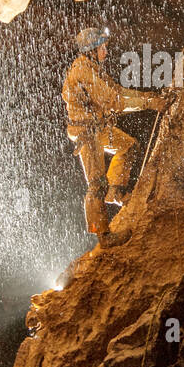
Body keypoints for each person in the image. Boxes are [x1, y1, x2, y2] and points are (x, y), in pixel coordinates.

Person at [62, 26, 166, 247]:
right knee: (96, 184)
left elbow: (118, 91)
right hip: (86, 133)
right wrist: (148, 103)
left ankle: (116, 193)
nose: (106, 52)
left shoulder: (92, 67)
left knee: (128, 147)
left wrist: (148, 96)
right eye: (103, 47)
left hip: (97, 128)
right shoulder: (83, 71)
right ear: (92, 49)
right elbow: (114, 101)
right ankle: (103, 236)